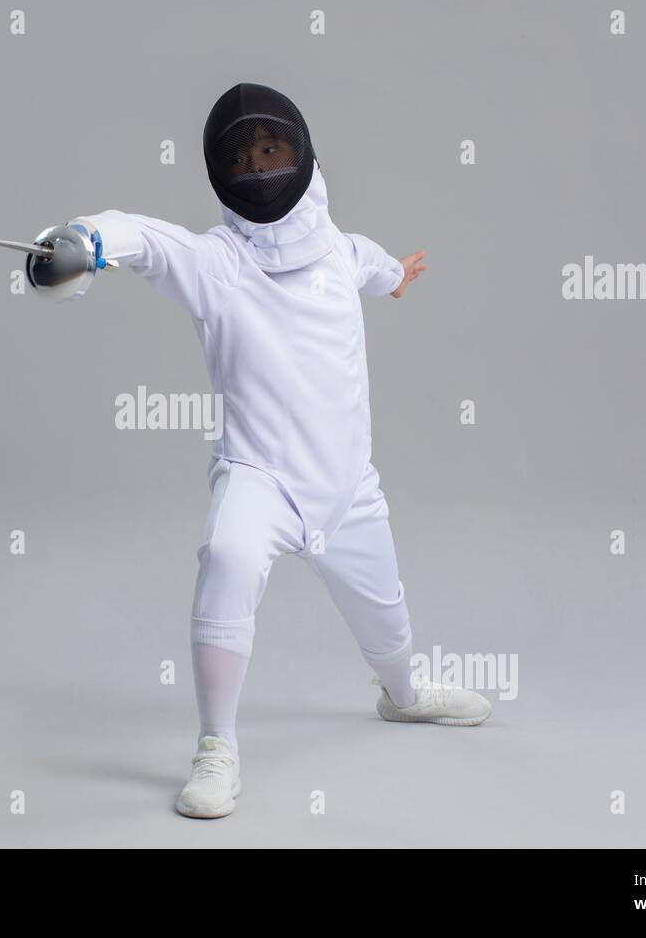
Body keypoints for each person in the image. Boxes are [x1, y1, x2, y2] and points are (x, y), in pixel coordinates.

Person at [65, 84, 490, 819]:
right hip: (260, 479)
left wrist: (396, 277)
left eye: (271, 149)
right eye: (243, 157)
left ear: (300, 152)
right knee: (227, 558)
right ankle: (217, 747)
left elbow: (373, 264)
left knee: (388, 621)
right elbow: (138, 235)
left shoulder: (339, 249)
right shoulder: (215, 264)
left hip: (348, 488)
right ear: (222, 174)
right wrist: (82, 243)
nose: (260, 166)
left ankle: (405, 694)